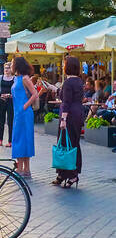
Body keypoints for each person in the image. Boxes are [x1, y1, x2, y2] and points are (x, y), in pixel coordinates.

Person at [53, 55, 86, 188]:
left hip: (69, 115)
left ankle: (69, 175)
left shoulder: (68, 82)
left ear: (68, 66)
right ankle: (68, 173)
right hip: (78, 113)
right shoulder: (78, 81)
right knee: (73, 143)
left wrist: (63, 119)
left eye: (64, 64)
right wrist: (56, 89)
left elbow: (66, 101)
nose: (62, 66)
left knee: (64, 143)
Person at [10, 56, 40, 178]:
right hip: (18, 113)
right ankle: (24, 169)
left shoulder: (25, 78)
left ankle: (23, 169)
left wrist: (24, 106)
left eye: (12, 63)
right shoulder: (17, 78)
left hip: (23, 113)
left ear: (17, 65)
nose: (11, 65)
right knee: (20, 138)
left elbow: (35, 94)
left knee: (23, 139)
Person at [0, 61, 14, 148]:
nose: (6, 70)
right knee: (1, 122)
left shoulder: (14, 78)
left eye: (8, 68)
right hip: (1, 101)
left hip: (10, 102)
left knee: (10, 122)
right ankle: (0, 139)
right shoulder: (0, 78)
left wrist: (10, 95)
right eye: (5, 68)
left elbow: (16, 91)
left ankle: (10, 141)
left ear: (11, 69)